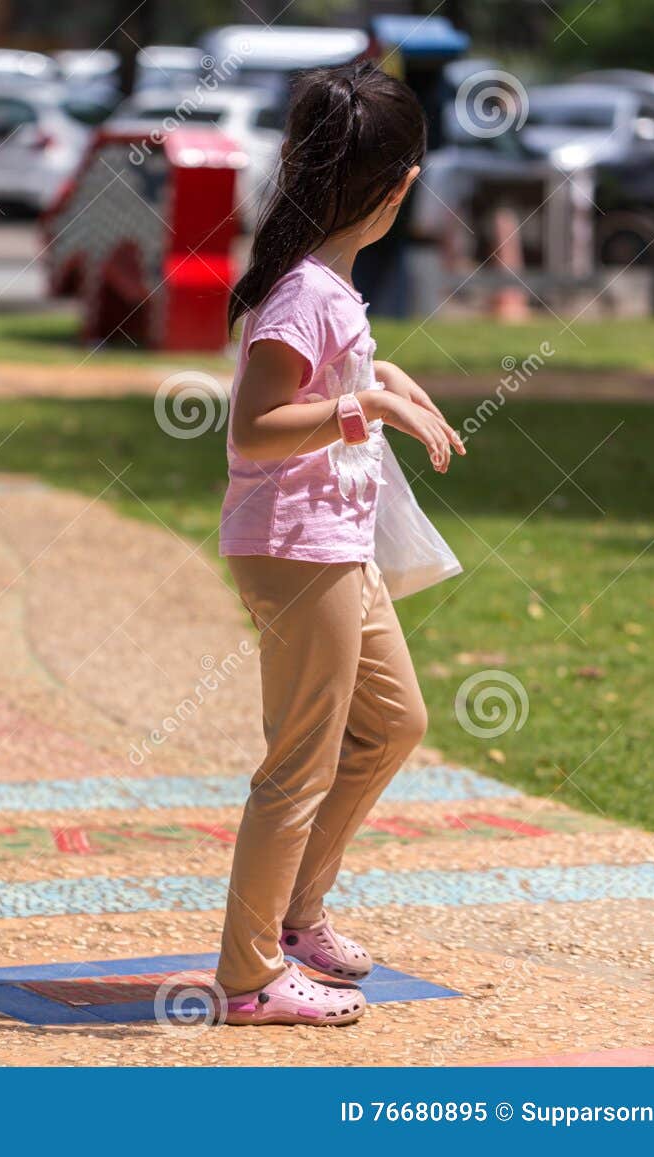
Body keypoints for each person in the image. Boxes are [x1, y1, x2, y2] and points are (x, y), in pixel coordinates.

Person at [216, 61, 466, 1027]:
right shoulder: (302, 295)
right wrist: (365, 404)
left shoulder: (324, 284)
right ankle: (248, 977)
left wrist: (378, 374)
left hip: (337, 542)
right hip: (296, 546)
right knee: (298, 764)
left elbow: (328, 368)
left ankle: (293, 915)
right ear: (398, 185)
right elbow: (255, 426)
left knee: (394, 722)